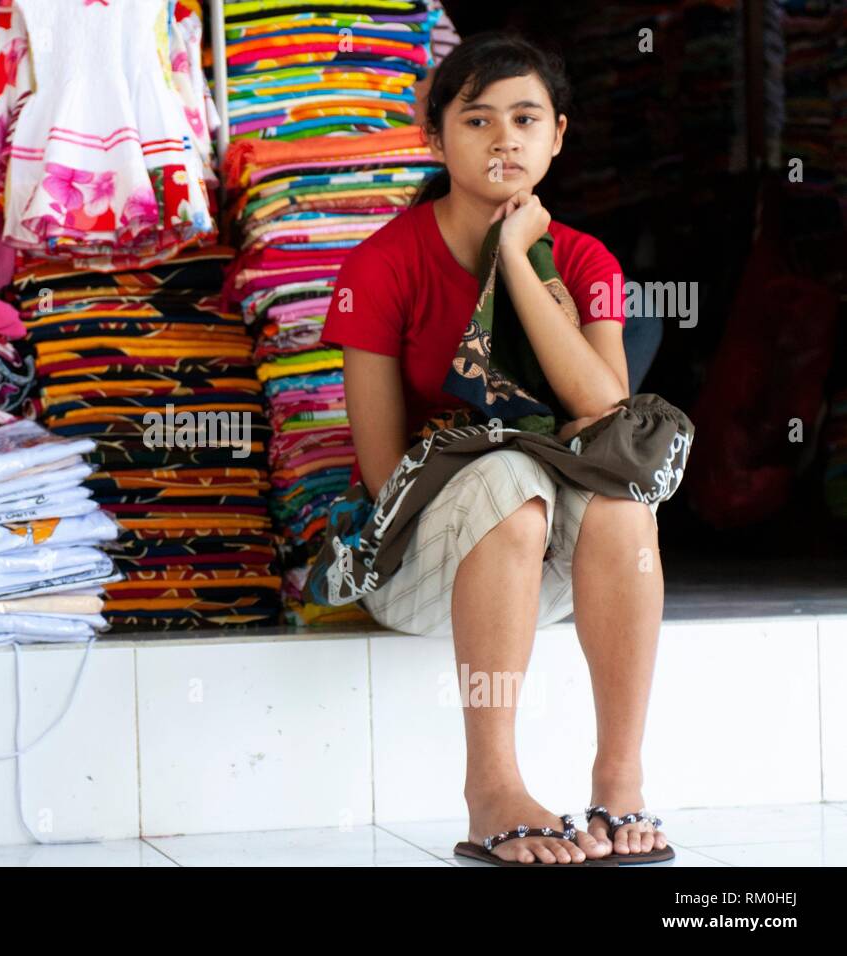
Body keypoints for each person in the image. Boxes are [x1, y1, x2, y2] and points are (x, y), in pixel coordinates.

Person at [322, 33, 672, 865]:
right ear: (435, 139)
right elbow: (383, 476)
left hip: (546, 571)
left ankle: (619, 779)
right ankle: (492, 788)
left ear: (558, 136)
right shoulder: (380, 265)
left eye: (525, 118)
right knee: (511, 474)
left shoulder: (585, 261)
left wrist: (516, 259)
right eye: (476, 120)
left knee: (624, 499)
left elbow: (605, 416)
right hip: (415, 565)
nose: (504, 138)